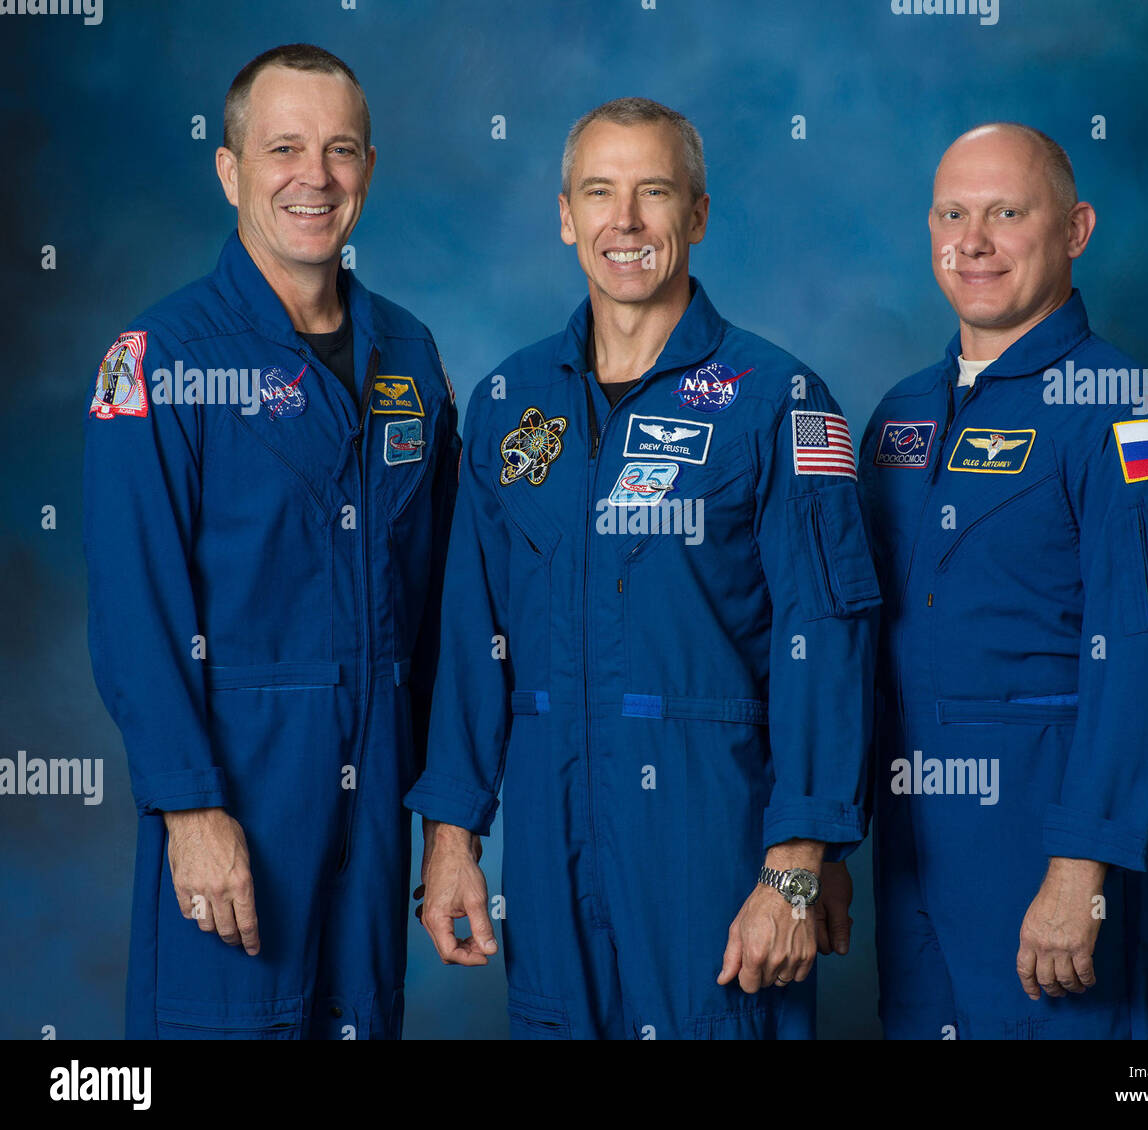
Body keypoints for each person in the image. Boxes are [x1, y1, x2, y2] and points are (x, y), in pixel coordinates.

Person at [405, 97, 878, 1039]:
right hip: (550, 849)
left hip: (713, 845)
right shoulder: (509, 404)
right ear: (566, 215)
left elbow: (825, 641)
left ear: (696, 216)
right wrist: (451, 840)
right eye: (600, 193)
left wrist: (794, 870)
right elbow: (470, 637)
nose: (624, 223)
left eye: (653, 194)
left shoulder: (777, 400)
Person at [83, 43, 458, 1039]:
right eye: (283, 146)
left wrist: (448, 818)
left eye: (341, 150)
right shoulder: (157, 360)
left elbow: (447, 603)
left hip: (376, 802)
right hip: (240, 796)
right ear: (229, 168)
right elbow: (135, 610)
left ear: (368, 170)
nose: (315, 176)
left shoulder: (411, 356)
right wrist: (189, 807)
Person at [860, 122, 1148, 1039]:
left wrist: (1082, 865)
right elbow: (859, 641)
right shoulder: (900, 417)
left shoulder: (1131, 413)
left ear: (1075, 229)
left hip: (1045, 835)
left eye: (1006, 213)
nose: (972, 241)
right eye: (952, 213)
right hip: (910, 845)